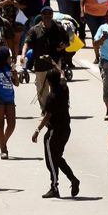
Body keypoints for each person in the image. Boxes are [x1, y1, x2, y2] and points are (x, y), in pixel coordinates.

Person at [31, 68, 80, 199]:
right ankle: (73, 179)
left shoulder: (51, 97)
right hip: (66, 130)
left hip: (54, 132)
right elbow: (63, 75)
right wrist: (53, 63)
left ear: (48, 82)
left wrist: (37, 130)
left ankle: (54, 187)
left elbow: (47, 116)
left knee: (51, 161)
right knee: (57, 158)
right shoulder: (64, 88)